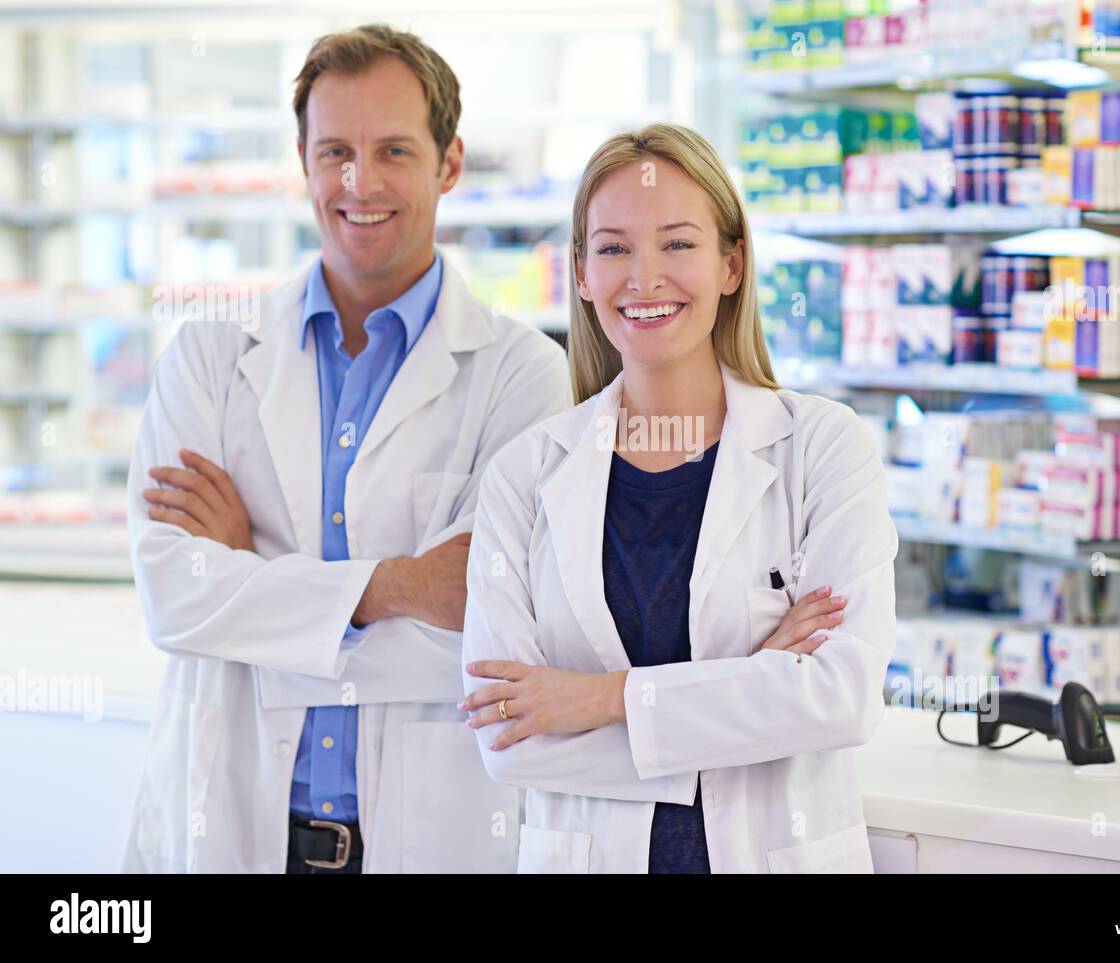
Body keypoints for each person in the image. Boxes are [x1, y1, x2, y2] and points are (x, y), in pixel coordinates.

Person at [123, 24, 569, 873]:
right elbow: (175, 601)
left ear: (449, 163)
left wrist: (250, 585)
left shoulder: (524, 376)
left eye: (394, 150)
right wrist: (399, 585)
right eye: (335, 151)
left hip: (428, 838)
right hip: (231, 830)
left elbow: (487, 643)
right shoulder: (210, 358)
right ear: (302, 161)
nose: (359, 183)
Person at [460, 123, 898, 873]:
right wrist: (753, 686)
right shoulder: (524, 476)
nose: (645, 276)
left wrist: (599, 699)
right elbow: (508, 737)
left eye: (678, 243)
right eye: (614, 247)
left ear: (731, 263)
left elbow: (839, 696)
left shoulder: (822, 447)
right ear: (581, 271)